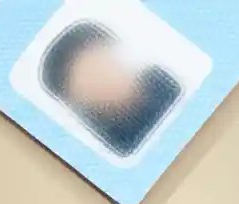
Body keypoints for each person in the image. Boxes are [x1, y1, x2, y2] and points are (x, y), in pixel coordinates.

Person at [41, 21, 182, 157]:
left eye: (102, 68)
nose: (105, 81)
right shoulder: (112, 148)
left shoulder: (172, 81)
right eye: (93, 79)